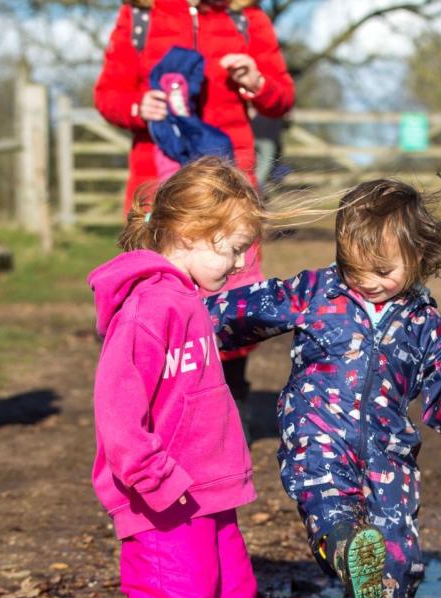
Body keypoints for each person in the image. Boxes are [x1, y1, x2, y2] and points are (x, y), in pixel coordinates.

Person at [207, 178, 441, 598]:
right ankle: (346, 552)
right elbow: (248, 306)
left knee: (402, 558)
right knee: (331, 511)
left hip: (387, 454)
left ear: (417, 256)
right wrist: (187, 316)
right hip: (317, 437)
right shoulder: (317, 291)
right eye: (354, 266)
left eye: (383, 270)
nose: (367, 280)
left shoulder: (422, 320)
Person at [72, 158, 285, 598]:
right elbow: (117, 408)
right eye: (234, 248)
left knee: (233, 593)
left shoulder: (188, 300)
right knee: (177, 593)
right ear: (189, 234)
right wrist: (151, 475)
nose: (243, 263)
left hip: (207, 487)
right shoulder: (148, 307)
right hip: (161, 492)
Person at [94, 0, 294, 431]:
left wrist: (257, 83)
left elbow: (281, 98)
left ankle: (229, 404)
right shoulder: (139, 15)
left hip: (229, 181)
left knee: (232, 285)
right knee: (157, 291)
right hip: (158, 183)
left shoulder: (246, 16)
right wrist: (136, 107)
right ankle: (149, 410)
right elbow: (107, 95)